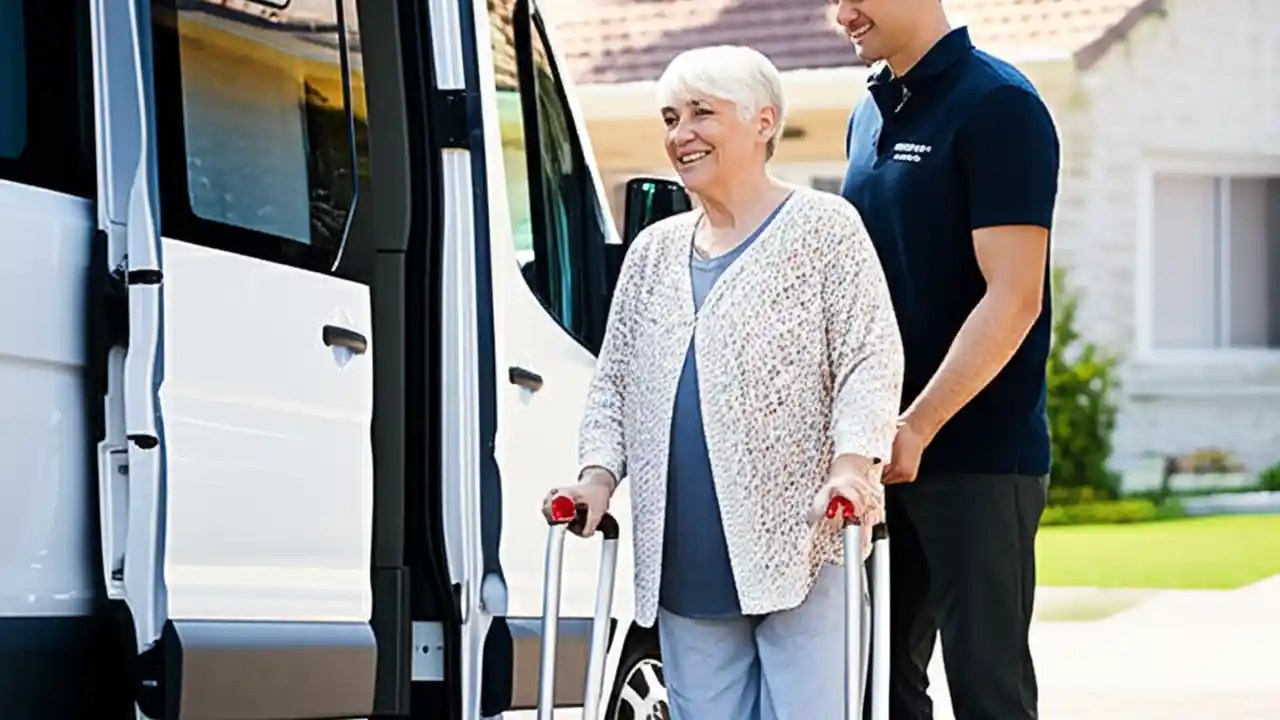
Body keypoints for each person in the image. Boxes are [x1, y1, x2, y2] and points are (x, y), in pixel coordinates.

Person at [541, 45, 903, 719]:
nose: (681, 136)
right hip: (685, 560)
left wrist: (854, 464)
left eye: (702, 113)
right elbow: (615, 383)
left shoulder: (824, 230)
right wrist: (597, 478)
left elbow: (868, 358)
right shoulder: (652, 253)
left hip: (803, 545)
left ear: (763, 122)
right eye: (671, 118)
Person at [833, 1, 1060, 718]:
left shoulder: (999, 105)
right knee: (877, 686)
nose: (842, 13)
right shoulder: (866, 114)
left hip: (978, 459)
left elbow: (1014, 296)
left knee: (987, 692)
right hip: (880, 455)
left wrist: (920, 425)